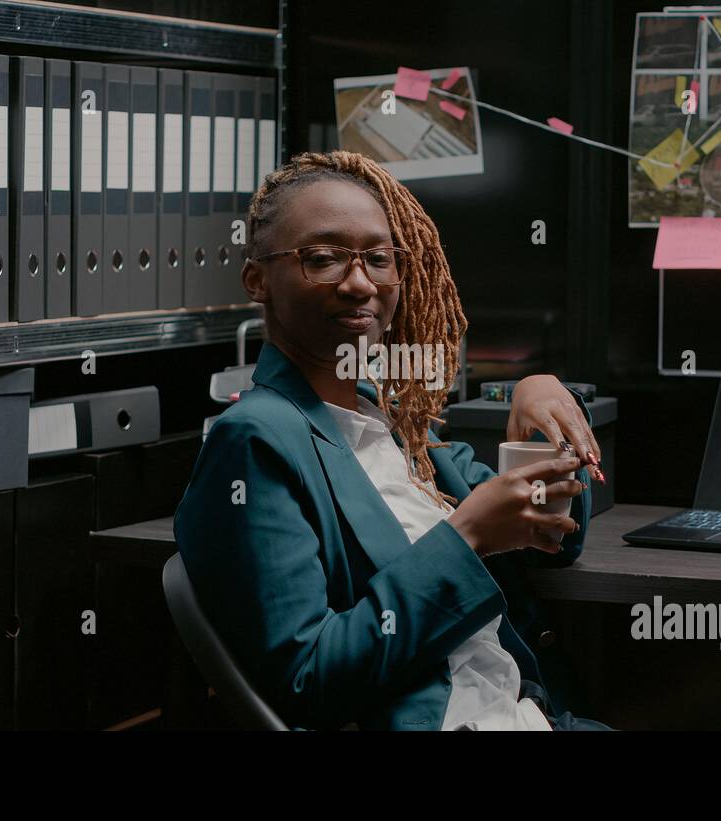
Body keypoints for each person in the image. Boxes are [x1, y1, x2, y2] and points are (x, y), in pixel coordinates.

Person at [174, 150, 610, 731]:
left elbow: (554, 533)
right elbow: (308, 680)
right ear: (258, 280)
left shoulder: (396, 423)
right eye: (323, 258)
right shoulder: (254, 440)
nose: (359, 283)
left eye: (379, 259)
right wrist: (468, 535)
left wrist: (540, 408)